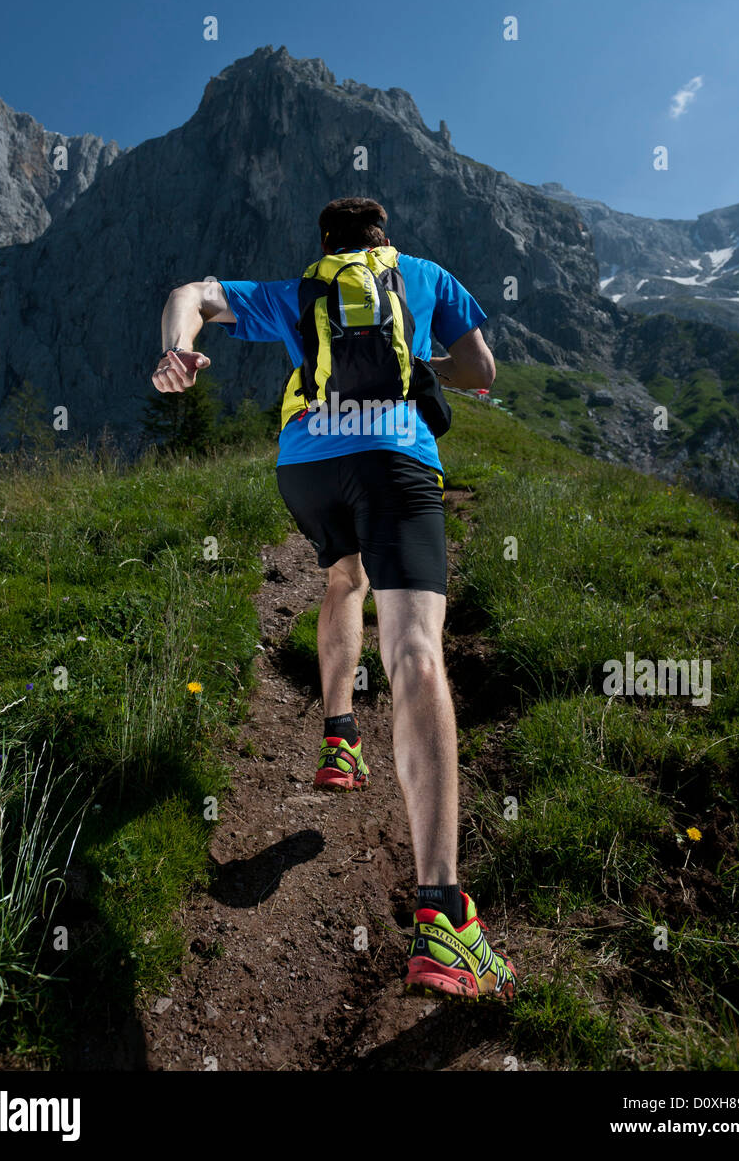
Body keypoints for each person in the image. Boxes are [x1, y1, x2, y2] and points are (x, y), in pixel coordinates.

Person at [151, 197, 516, 1000]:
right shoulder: (423, 278)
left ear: (323, 248)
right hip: (394, 456)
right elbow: (482, 374)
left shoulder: (294, 290)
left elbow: (190, 293)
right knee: (417, 648)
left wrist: (180, 351)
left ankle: (340, 738)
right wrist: (426, 366)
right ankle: (443, 918)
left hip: (306, 464)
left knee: (343, 576)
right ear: (385, 241)